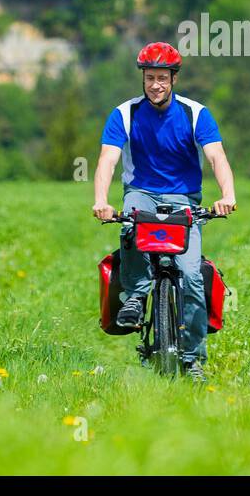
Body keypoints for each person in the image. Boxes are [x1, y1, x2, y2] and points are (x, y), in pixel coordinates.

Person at [92, 41, 237, 382]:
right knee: (129, 223)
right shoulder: (124, 114)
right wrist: (101, 199)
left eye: (162, 77)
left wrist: (227, 194)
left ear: (173, 79)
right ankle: (136, 296)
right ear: (142, 79)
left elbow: (217, 156)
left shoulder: (195, 113)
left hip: (185, 198)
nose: (155, 84)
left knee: (191, 276)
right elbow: (107, 160)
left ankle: (192, 359)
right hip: (141, 193)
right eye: (149, 77)